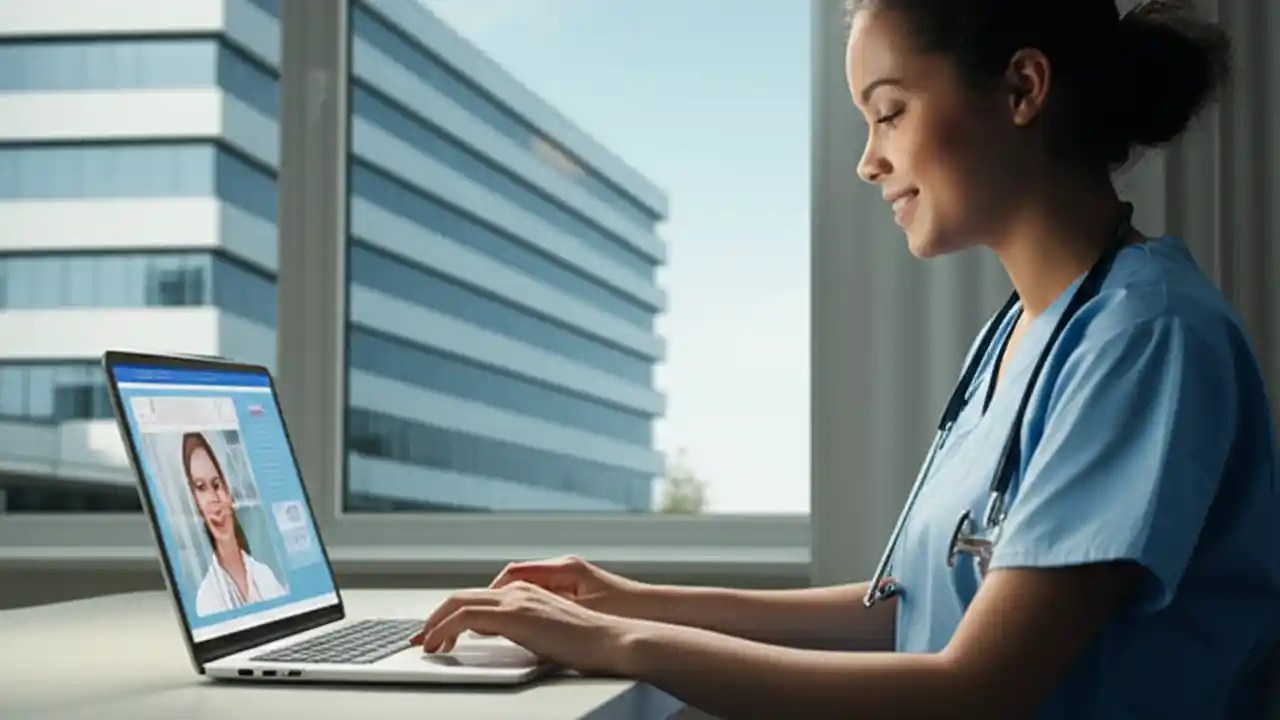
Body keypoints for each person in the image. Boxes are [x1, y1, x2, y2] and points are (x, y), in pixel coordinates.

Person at [409, 1, 1280, 716]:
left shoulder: (1145, 337)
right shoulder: (1016, 333)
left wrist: (617, 642)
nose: (868, 162)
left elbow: (978, 684)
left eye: (889, 111)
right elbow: (904, 613)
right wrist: (623, 597)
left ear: (1021, 87)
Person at [183, 432, 287, 616]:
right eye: (201, 488)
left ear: (229, 494)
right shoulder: (207, 598)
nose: (214, 500)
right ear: (196, 504)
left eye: (216, 485)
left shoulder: (265, 575)